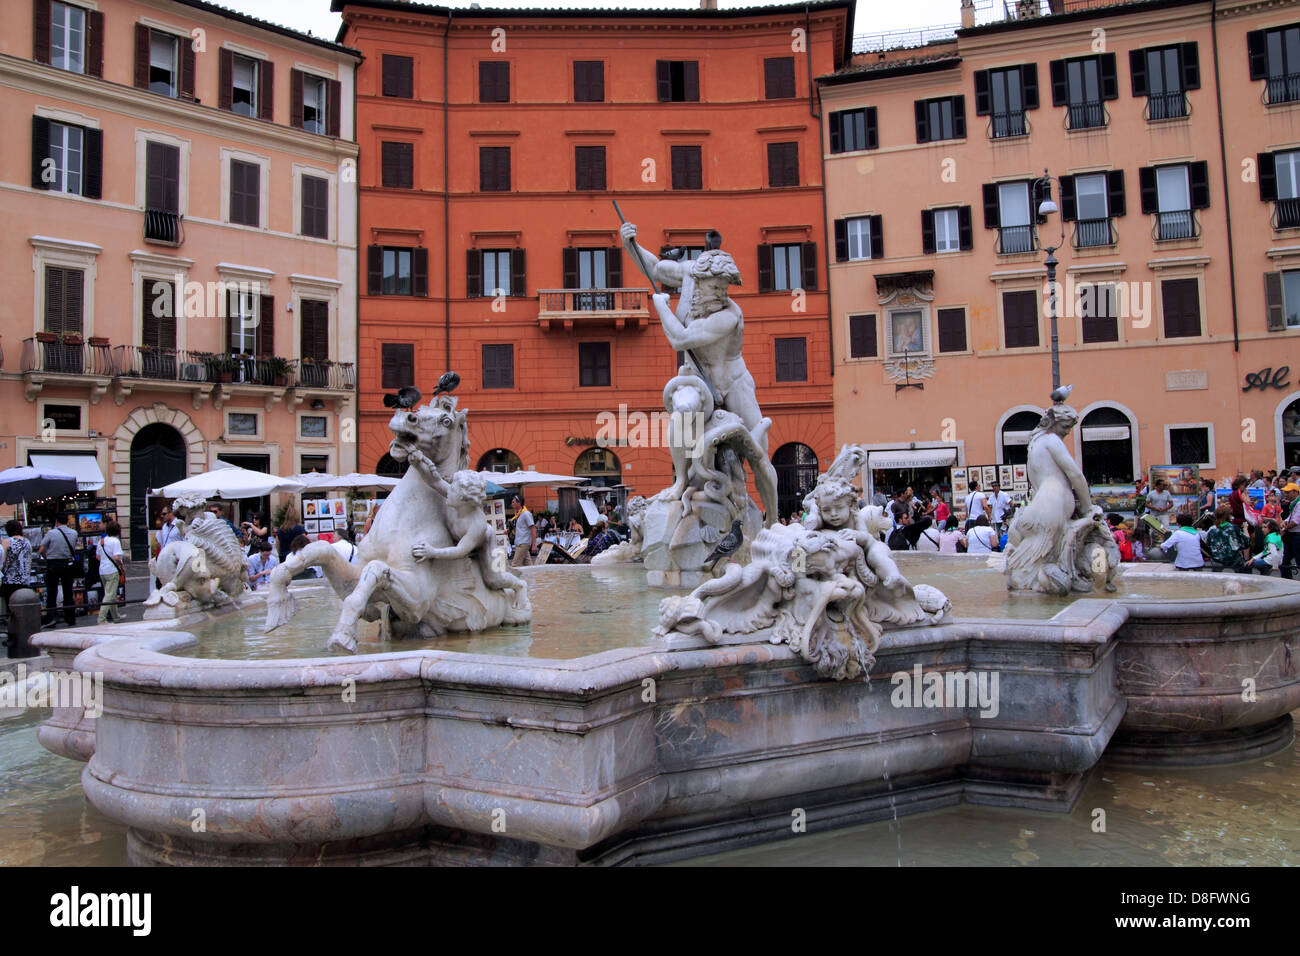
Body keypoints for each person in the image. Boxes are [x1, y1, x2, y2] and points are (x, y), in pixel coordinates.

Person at [622, 220, 780, 521]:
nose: (722, 292)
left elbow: (679, 339)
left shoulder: (730, 315)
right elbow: (655, 268)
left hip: (733, 381)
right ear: (700, 278)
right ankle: (681, 479)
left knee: (759, 452)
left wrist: (661, 307)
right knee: (682, 410)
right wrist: (631, 244)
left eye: (726, 286)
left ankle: (773, 520)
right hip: (695, 377)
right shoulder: (689, 273)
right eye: (717, 285)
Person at [38, 514, 80, 627]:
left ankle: (50, 618)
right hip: (68, 563)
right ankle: (70, 618)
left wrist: (46, 557)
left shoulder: (51, 533)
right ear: (67, 521)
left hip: (53, 563)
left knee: (52, 591)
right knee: (68, 591)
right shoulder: (74, 533)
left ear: (56, 522)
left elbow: (41, 549)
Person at [95, 520, 126, 623]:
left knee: (110, 594)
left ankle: (116, 616)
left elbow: (98, 557)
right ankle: (101, 619)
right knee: (110, 595)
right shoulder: (115, 541)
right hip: (112, 570)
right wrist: (121, 565)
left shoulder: (101, 541)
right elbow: (117, 557)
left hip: (102, 570)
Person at [1205, 505, 1251, 572]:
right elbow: (1247, 543)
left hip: (1217, 560)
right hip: (1233, 560)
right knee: (1246, 568)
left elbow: (1208, 546)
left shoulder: (1212, 531)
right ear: (1228, 516)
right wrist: (1245, 529)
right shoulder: (1233, 528)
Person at [1, 520, 34, 608]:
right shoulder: (27, 542)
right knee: (22, 606)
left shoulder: (7, 541)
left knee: (11, 606)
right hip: (24, 579)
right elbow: (29, 560)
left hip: (10, 580)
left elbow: (2, 560)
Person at [510, 495, 536, 567]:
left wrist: (534, 545)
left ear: (519, 503)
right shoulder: (518, 514)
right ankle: (533, 577)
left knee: (515, 565)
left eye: (513, 502)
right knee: (528, 565)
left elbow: (533, 528)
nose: (512, 503)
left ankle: (514, 578)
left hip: (523, 543)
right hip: (520, 543)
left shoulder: (526, 514)